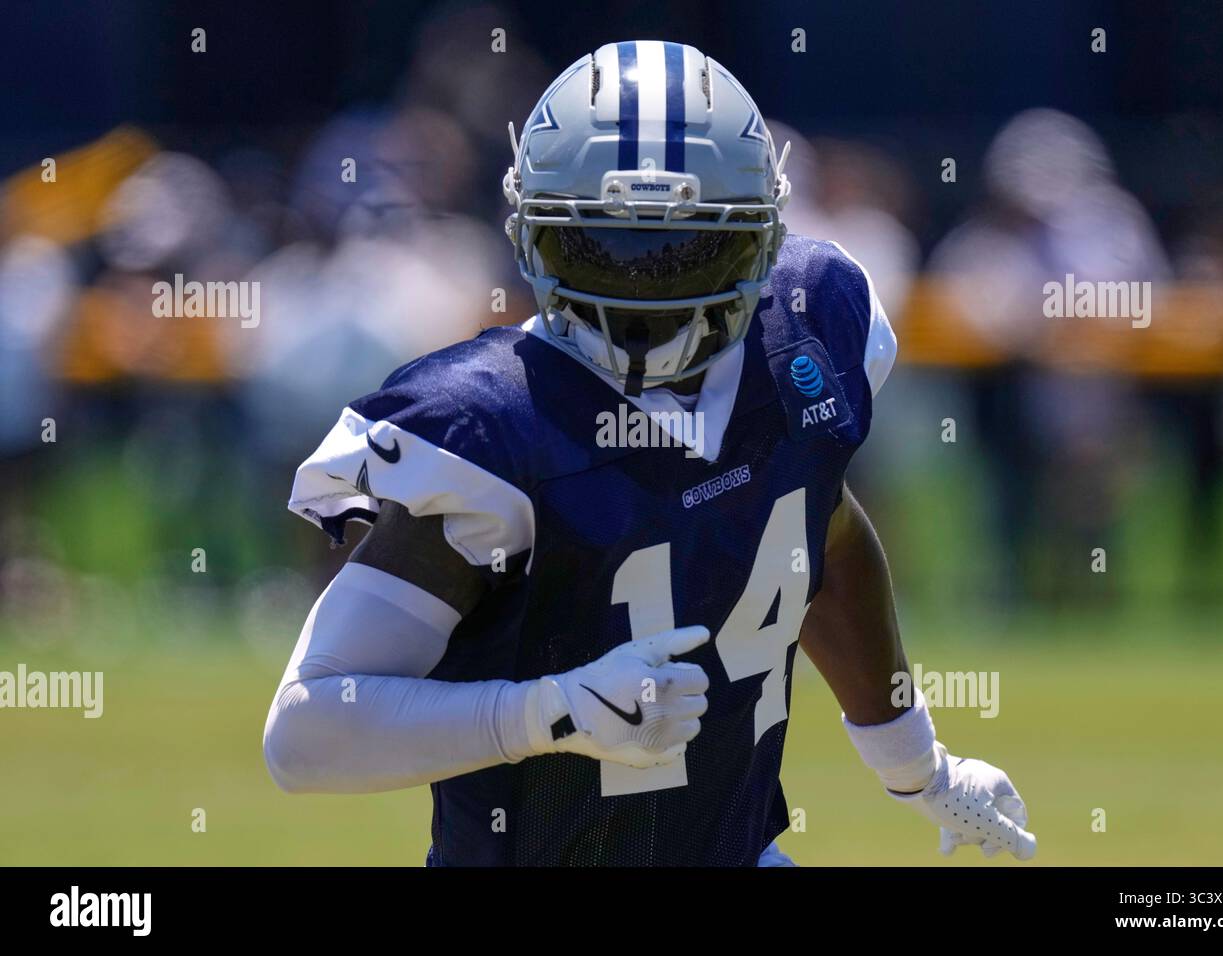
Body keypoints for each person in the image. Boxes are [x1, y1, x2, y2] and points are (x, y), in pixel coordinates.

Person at [263, 40, 1035, 867]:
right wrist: (550, 712)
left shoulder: (804, 332)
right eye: (602, 248)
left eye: (684, 251)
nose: (643, 295)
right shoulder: (493, 431)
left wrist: (919, 765)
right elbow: (307, 730)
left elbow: (820, 534)